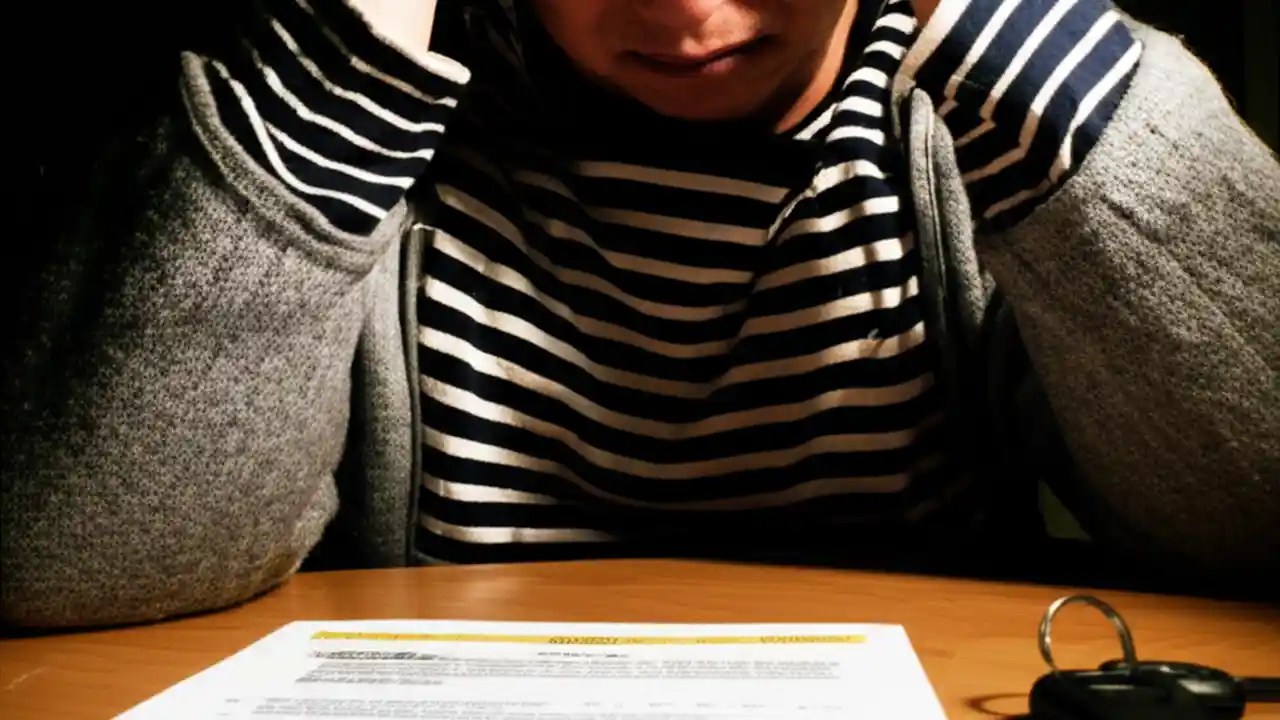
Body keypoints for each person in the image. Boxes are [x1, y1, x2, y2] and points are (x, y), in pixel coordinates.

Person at [2, 0, 1277, 629]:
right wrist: (342, 64)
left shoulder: (971, 107)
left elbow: (1253, 513)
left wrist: (1033, 72)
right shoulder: (376, 102)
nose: (686, 18)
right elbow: (81, 564)